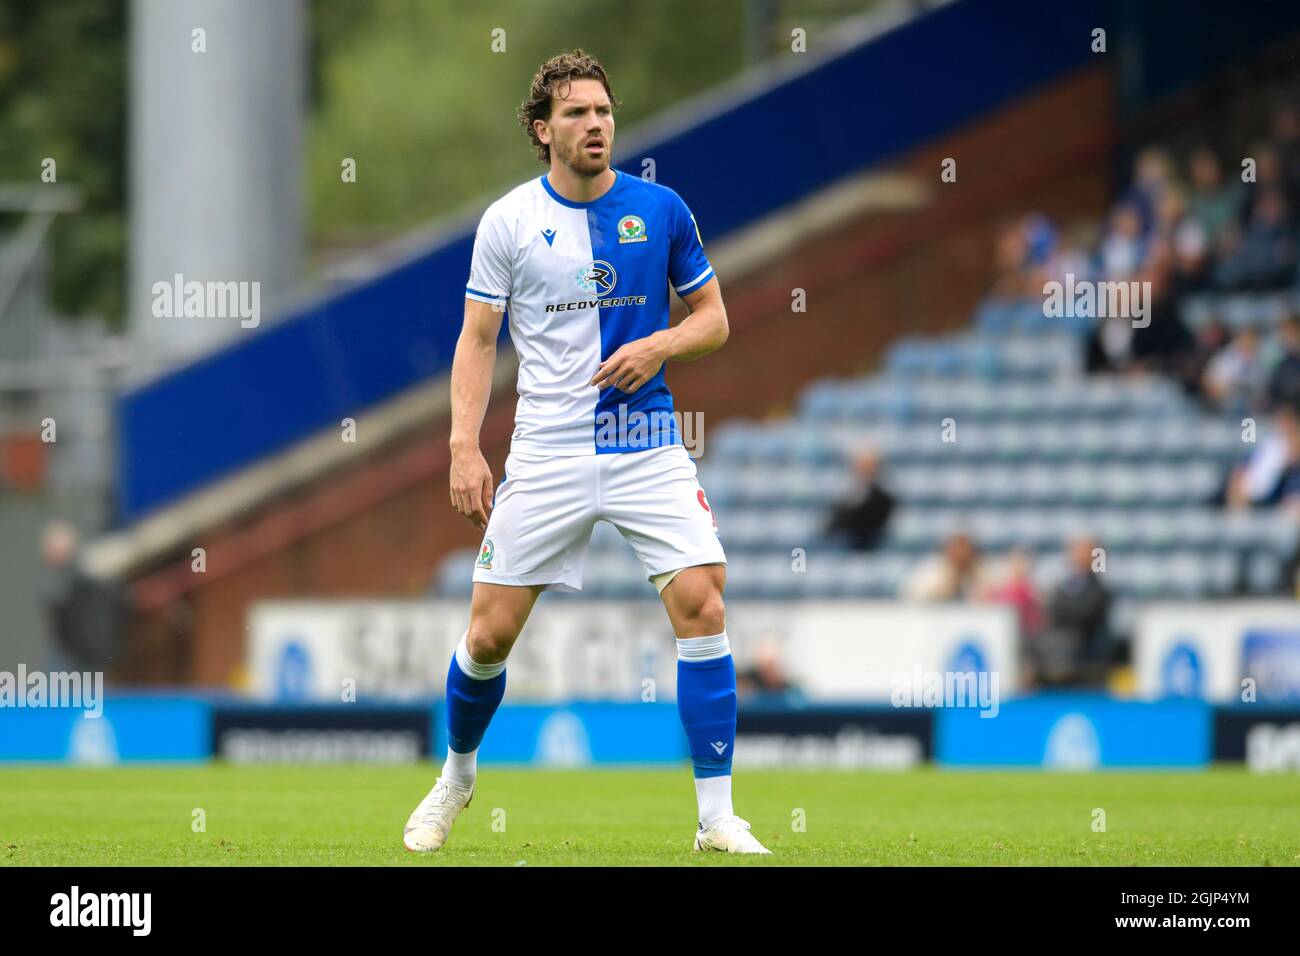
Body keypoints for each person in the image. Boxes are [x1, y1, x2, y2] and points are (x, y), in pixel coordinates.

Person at [402, 50, 769, 855]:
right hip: (547, 450)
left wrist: (660, 346)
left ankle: (717, 819)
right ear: (544, 130)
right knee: (490, 636)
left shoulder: (662, 208)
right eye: (576, 114)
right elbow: (477, 339)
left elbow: (714, 319)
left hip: (645, 440)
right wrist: (464, 446)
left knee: (703, 602)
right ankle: (456, 778)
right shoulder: (507, 222)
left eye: (603, 111)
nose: (595, 124)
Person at [1036, 536, 1110, 686]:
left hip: (1082, 651)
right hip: (1059, 645)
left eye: (1083, 551)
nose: (1077, 555)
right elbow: (1053, 609)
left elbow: (1082, 615)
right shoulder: (1067, 584)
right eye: (1075, 550)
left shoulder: (1098, 589)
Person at [824, 447, 895, 550]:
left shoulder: (884, 498)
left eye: (868, 466)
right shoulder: (844, 494)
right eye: (861, 466)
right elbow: (831, 528)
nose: (864, 471)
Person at [902, 533, 992, 603]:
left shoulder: (983, 570)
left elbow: (991, 597)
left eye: (965, 548)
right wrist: (944, 587)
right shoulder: (933, 569)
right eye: (956, 547)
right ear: (948, 549)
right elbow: (911, 595)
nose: (961, 553)